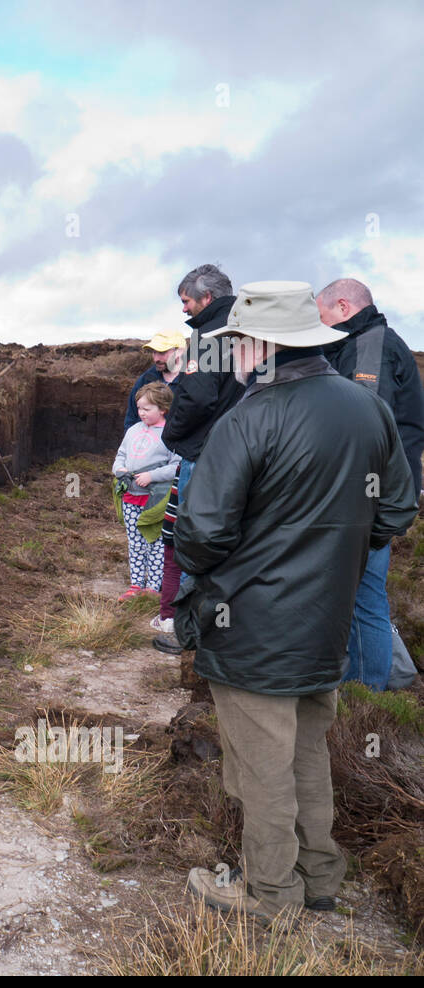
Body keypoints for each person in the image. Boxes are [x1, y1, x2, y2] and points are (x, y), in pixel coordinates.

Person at [175, 281, 417, 920]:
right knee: (307, 753)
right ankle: (320, 876)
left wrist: (229, 574)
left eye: (236, 344)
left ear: (258, 344)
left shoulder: (249, 418)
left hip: (253, 626)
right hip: (325, 625)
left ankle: (270, 894)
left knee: (262, 768)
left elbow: (201, 535)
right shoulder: (367, 409)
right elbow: (395, 508)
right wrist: (332, 553)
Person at [316, 278, 424, 689]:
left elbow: (362, 426)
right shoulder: (361, 343)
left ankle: (367, 693)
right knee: (360, 595)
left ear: (343, 307)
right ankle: (363, 682)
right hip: (378, 492)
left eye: (322, 314)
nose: (319, 323)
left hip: (368, 497)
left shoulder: (371, 348)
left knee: (364, 598)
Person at [154, 264, 239, 654]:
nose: (184, 310)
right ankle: (214, 631)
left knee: (192, 540)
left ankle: (188, 632)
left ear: (207, 299)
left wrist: (172, 434)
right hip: (235, 455)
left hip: (203, 454)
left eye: (186, 301)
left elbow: (199, 397)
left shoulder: (209, 337)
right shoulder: (244, 333)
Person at [112, 382, 179, 600]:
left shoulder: (171, 433)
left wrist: (152, 476)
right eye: (139, 408)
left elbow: (177, 465)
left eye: (147, 409)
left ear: (163, 408)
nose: (141, 413)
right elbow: (120, 455)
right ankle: (136, 584)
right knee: (135, 541)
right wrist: (119, 469)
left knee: (156, 542)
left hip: (156, 500)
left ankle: (153, 586)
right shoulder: (133, 430)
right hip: (131, 497)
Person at [123, 330, 184, 430]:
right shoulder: (146, 379)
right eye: (154, 352)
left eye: (162, 352)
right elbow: (131, 417)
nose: (156, 358)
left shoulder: (192, 381)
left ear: (179, 352)